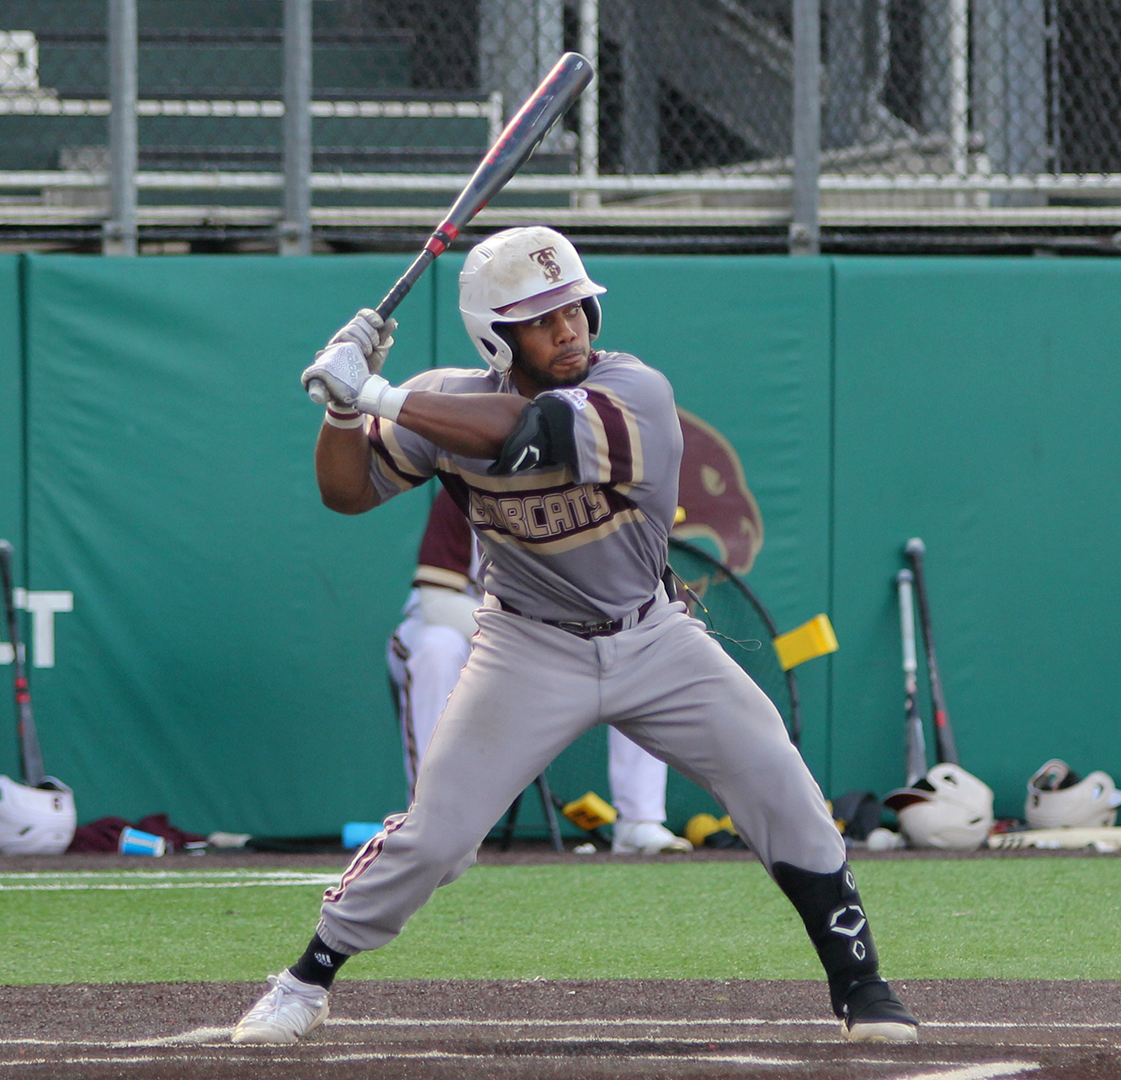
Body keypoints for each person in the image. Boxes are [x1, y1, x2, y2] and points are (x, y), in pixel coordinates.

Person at [235, 226, 917, 1045]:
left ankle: (863, 986)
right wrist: (343, 410)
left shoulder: (635, 391)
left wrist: (377, 393)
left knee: (781, 785)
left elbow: (527, 438)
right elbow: (344, 493)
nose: (569, 329)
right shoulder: (443, 400)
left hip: (654, 637)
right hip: (525, 647)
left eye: (574, 308)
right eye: (540, 317)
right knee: (437, 838)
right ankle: (306, 980)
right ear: (497, 336)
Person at [390, 485, 692, 855]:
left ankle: (640, 821)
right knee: (437, 649)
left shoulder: (593, 502)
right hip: (463, 628)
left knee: (637, 649)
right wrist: (530, 637)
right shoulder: (466, 486)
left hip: (550, 639)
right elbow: (437, 602)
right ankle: (432, 822)